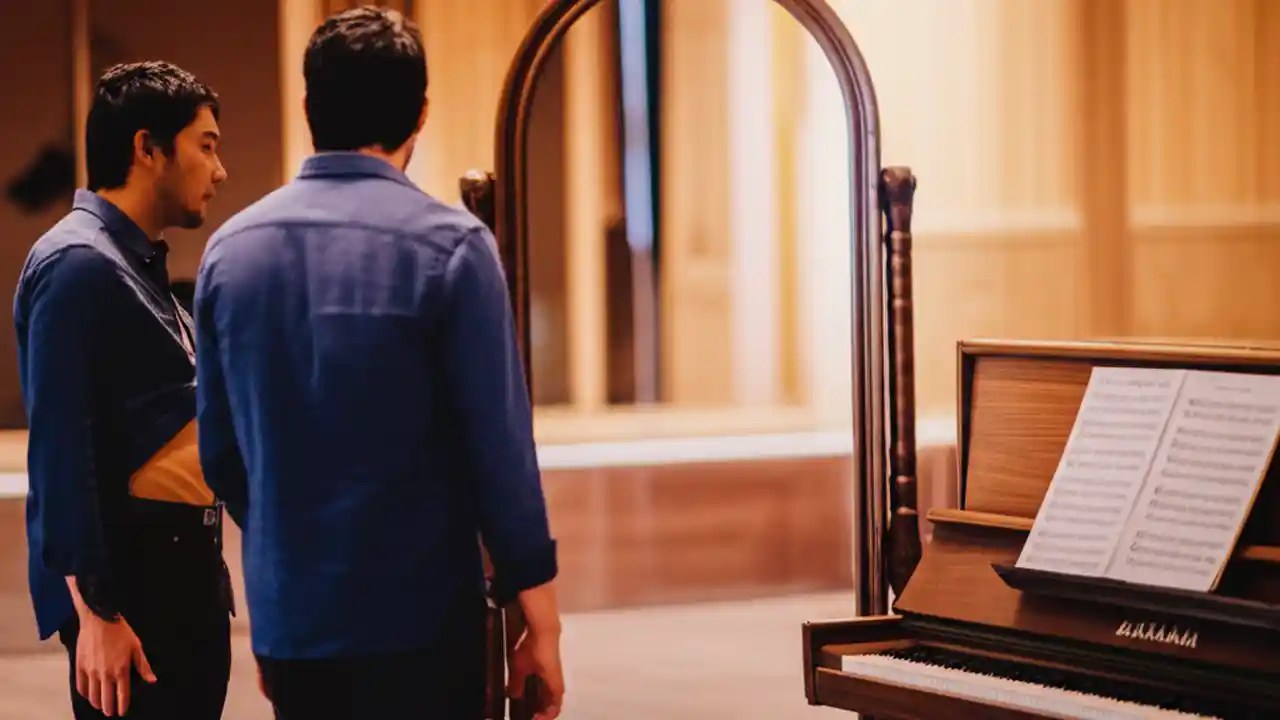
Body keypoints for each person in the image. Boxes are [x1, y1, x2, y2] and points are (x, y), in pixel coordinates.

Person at [193, 7, 564, 719]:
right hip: (423, 624)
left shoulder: (230, 252)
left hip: (294, 619)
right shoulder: (452, 248)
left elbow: (222, 457)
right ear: (420, 115)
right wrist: (539, 622)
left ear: (308, 107)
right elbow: (500, 455)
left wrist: (291, 555)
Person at [14, 61, 230, 719]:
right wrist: (99, 612)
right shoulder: (79, 264)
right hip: (135, 600)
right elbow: (61, 453)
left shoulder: (125, 259)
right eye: (206, 145)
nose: (219, 171)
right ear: (146, 148)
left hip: (176, 583)